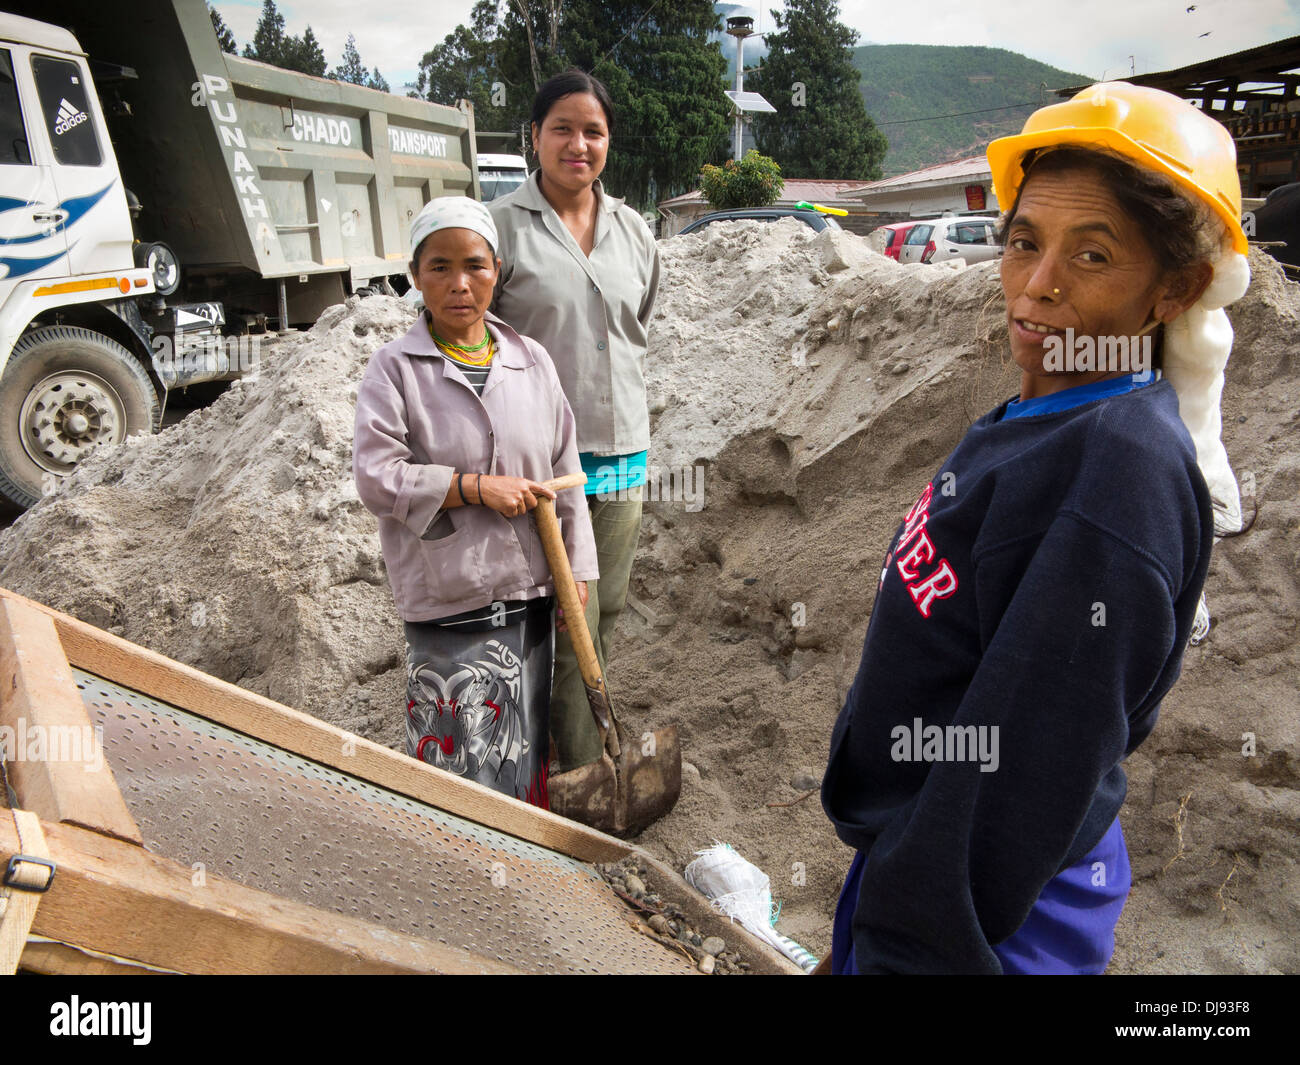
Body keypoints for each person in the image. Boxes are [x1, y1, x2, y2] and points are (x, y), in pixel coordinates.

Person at [820, 82, 1252, 974]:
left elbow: (1023, 761)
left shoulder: (1117, 472)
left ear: (1176, 287)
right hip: (928, 861)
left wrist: (906, 946)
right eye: (1024, 242)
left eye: (1092, 256)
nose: (1038, 284)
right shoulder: (1053, 412)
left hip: (989, 918)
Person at [352, 196, 598, 808]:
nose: (459, 284)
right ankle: (458, 875)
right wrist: (472, 488)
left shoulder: (531, 360)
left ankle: (523, 866)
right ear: (415, 276)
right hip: (449, 594)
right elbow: (376, 476)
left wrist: (579, 572)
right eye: (439, 267)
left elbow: (565, 469)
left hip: (534, 589)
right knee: (459, 751)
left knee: (523, 742)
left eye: (475, 266)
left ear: (497, 271)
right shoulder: (393, 370)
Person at [488, 69, 661, 779]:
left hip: (618, 452)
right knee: (528, 616)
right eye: (562, 127)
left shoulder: (635, 232)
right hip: (530, 465)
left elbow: (636, 323)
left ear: (609, 142)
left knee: (599, 614)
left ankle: (579, 773)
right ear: (534, 136)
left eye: (593, 131)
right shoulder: (499, 228)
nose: (577, 144)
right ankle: (515, 770)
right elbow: (465, 337)